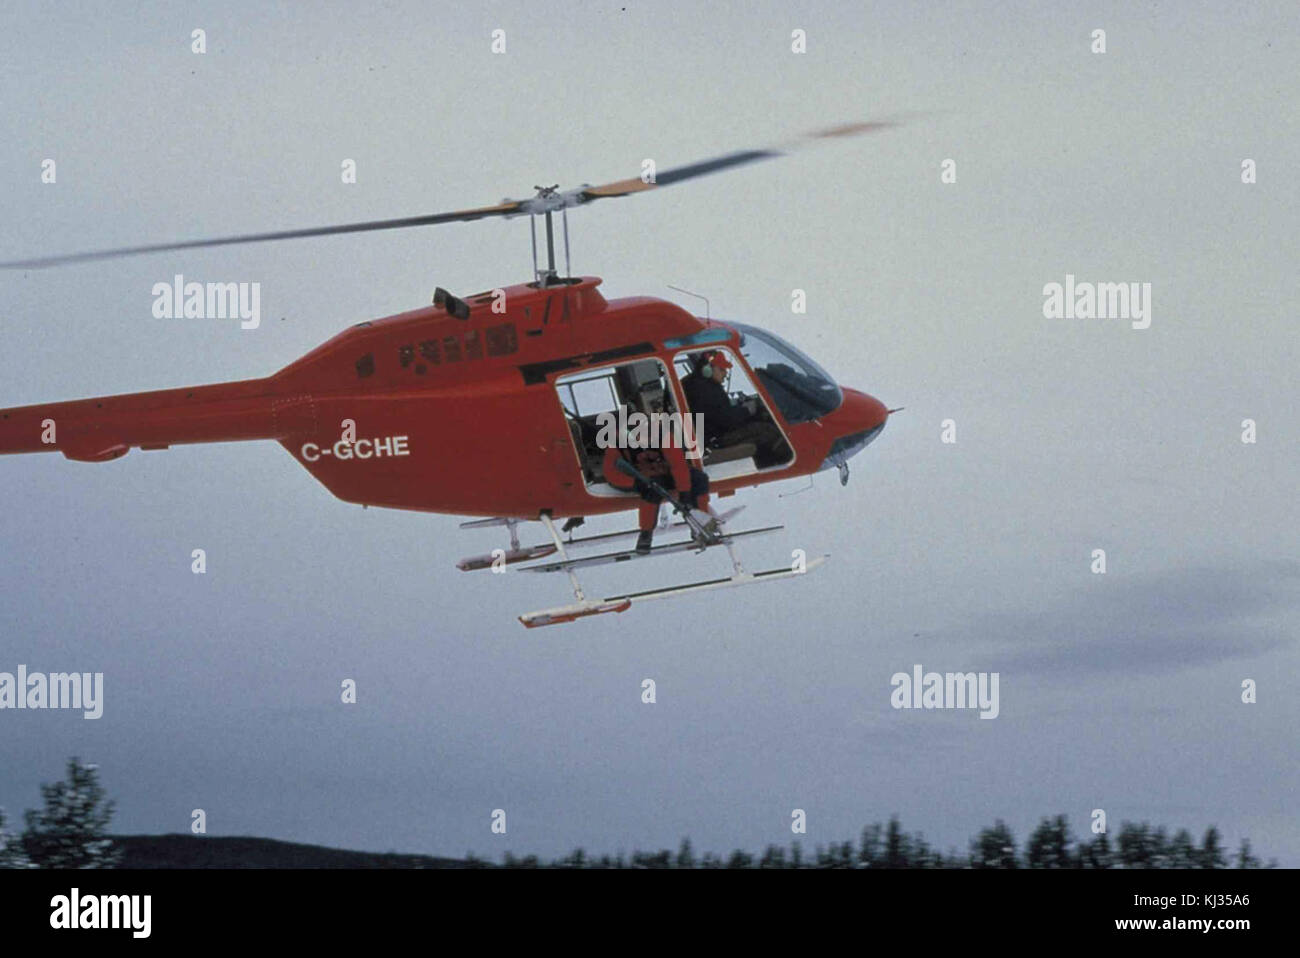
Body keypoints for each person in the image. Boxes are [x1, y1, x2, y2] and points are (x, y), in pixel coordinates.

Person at [603, 424, 713, 553]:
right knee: (651, 492)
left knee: (699, 479)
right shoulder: (617, 445)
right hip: (644, 478)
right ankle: (646, 534)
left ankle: (702, 525)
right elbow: (610, 473)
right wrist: (635, 483)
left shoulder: (664, 437)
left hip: (666, 472)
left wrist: (684, 493)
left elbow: (678, 465)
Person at [681, 351, 791, 467]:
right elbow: (725, 420)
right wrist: (747, 410)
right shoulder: (703, 389)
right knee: (769, 431)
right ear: (707, 370)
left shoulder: (696, 383)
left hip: (708, 435)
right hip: (713, 440)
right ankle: (777, 465)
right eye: (722, 369)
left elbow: (718, 412)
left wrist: (741, 409)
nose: (725, 373)